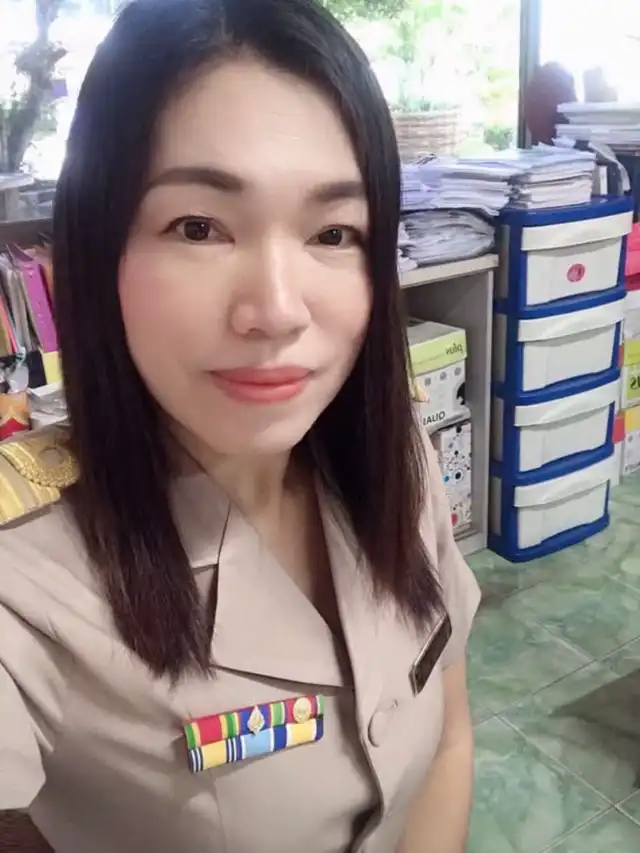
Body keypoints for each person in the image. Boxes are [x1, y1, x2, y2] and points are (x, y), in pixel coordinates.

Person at [0, 0, 481, 851]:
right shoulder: (26, 577)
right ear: (97, 252)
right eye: (199, 227)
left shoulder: (393, 454)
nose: (278, 309)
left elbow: (448, 736)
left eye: (333, 231)